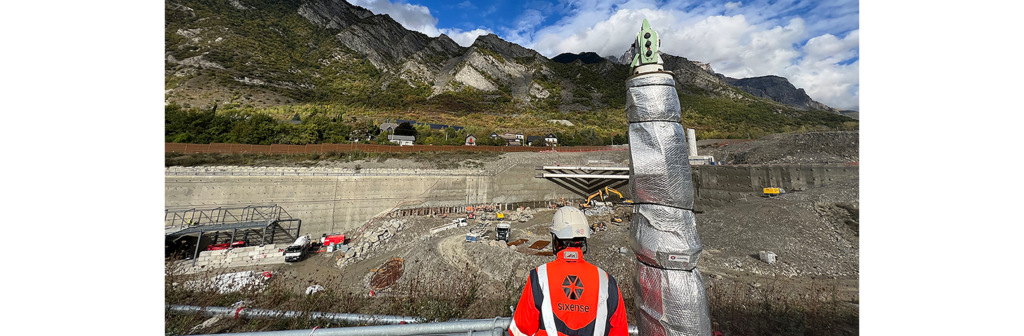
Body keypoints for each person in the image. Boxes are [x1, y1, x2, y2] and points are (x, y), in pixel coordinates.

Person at [509, 206, 628, 336]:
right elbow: (620, 331)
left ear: (556, 240)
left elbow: (519, 331)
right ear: (583, 240)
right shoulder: (607, 282)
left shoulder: (539, 278)